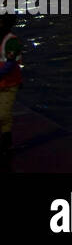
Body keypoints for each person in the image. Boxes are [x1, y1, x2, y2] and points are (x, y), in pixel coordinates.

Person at [0, 14, 22, 158]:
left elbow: (9, 65)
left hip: (8, 84)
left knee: (3, 115)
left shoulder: (12, 42)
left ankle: (6, 146)